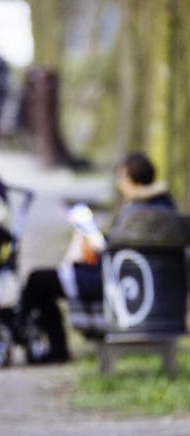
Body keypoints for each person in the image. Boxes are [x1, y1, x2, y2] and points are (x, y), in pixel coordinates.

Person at [19, 151, 176, 363]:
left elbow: (120, 253)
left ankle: (30, 334)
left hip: (121, 285)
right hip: (147, 287)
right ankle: (42, 340)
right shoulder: (166, 208)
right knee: (44, 280)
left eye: (121, 177)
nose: (119, 184)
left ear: (130, 179)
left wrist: (95, 242)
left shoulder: (138, 214)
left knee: (38, 280)